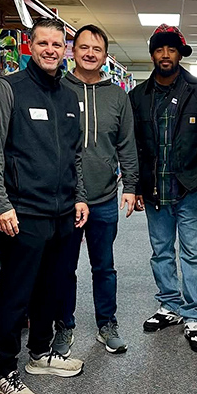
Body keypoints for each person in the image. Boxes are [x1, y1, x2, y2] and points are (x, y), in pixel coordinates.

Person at [0, 17, 89, 394]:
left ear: (65, 50)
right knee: (16, 292)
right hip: (23, 212)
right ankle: (5, 372)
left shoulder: (68, 96)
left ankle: (40, 353)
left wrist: (79, 196)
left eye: (57, 44)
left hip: (63, 212)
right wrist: (1, 204)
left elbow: (74, 156)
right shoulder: (8, 89)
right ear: (30, 46)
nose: (50, 50)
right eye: (43, 43)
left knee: (53, 286)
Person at [129, 25, 197, 353]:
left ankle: (195, 314)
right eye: (160, 49)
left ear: (180, 53)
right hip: (155, 190)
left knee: (194, 252)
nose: (165, 55)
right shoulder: (138, 97)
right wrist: (137, 184)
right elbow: (132, 145)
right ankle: (169, 306)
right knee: (161, 250)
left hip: (189, 189)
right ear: (153, 54)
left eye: (172, 49)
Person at [50, 24, 139, 356]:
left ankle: (107, 324)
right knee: (64, 266)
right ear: (73, 51)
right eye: (83, 47)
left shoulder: (117, 95)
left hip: (103, 198)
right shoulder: (57, 87)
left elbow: (127, 144)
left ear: (105, 55)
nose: (89, 54)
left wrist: (129, 186)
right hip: (66, 199)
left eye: (97, 49)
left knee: (104, 265)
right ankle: (64, 326)